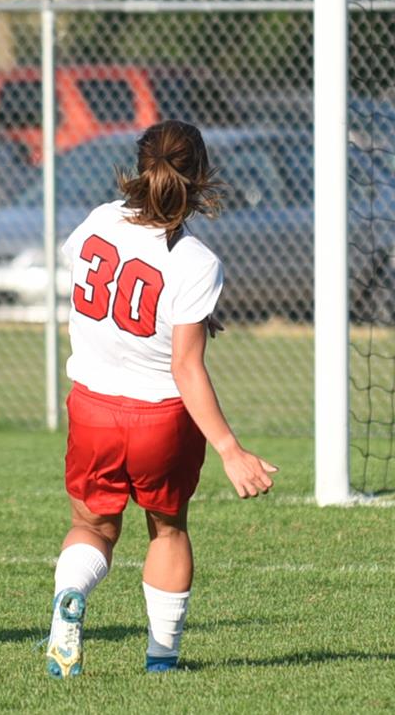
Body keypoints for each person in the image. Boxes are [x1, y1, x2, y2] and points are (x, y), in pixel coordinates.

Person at [44, 121, 277, 678]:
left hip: (94, 407)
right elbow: (185, 366)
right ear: (200, 178)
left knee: (93, 526)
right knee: (167, 528)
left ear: (140, 165)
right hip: (161, 419)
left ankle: (70, 600)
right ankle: (162, 660)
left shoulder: (99, 221)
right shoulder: (197, 262)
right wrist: (230, 449)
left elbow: (98, 284)